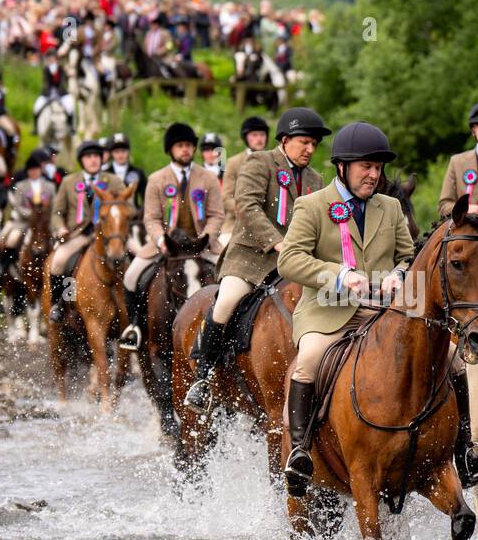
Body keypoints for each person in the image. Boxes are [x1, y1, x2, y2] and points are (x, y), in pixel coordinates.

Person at [275, 121, 414, 494]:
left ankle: (466, 450)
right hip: (327, 311)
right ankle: (300, 453)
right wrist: (338, 275)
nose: (373, 175)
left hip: (381, 311)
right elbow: (288, 260)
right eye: (365, 167)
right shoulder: (312, 205)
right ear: (342, 167)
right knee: (309, 359)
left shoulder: (391, 206)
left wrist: (398, 276)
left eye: (378, 168)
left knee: (447, 355)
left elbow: (408, 256)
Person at [182, 108, 329, 412]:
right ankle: (204, 378)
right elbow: (247, 206)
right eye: (304, 142)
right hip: (252, 258)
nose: (310, 150)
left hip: (295, 262)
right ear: (285, 140)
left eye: (314, 144)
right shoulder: (259, 162)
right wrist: (277, 242)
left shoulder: (315, 178)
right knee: (225, 302)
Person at [117, 123, 225, 351]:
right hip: (166, 245)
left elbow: (217, 215)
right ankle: (135, 328)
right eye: (180, 146)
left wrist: (206, 237)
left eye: (188, 146)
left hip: (202, 245)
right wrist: (159, 241)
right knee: (131, 277)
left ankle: (229, 331)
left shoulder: (208, 178)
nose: (185, 150)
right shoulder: (157, 179)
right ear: (170, 150)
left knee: (230, 276)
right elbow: (151, 218)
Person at [47, 138, 107, 323]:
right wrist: (60, 228)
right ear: (82, 160)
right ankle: (60, 303)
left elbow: (126, 206)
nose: (93, 160)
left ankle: (136, 313)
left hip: (108, 236)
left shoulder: (112, 180)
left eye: (96, 156)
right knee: (58, 261)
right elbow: (57, 212)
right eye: (89, 157)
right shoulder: (68, 181)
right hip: (78, 234)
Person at [220, 115, 270, 246]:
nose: (259, 139)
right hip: (236, 224)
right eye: (254, 135)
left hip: (270, 223)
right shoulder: (233, 163)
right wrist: (251, 213)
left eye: (262, 134)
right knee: (224, 245)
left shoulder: (275, 162)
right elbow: (226, 199)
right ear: (245, 138)